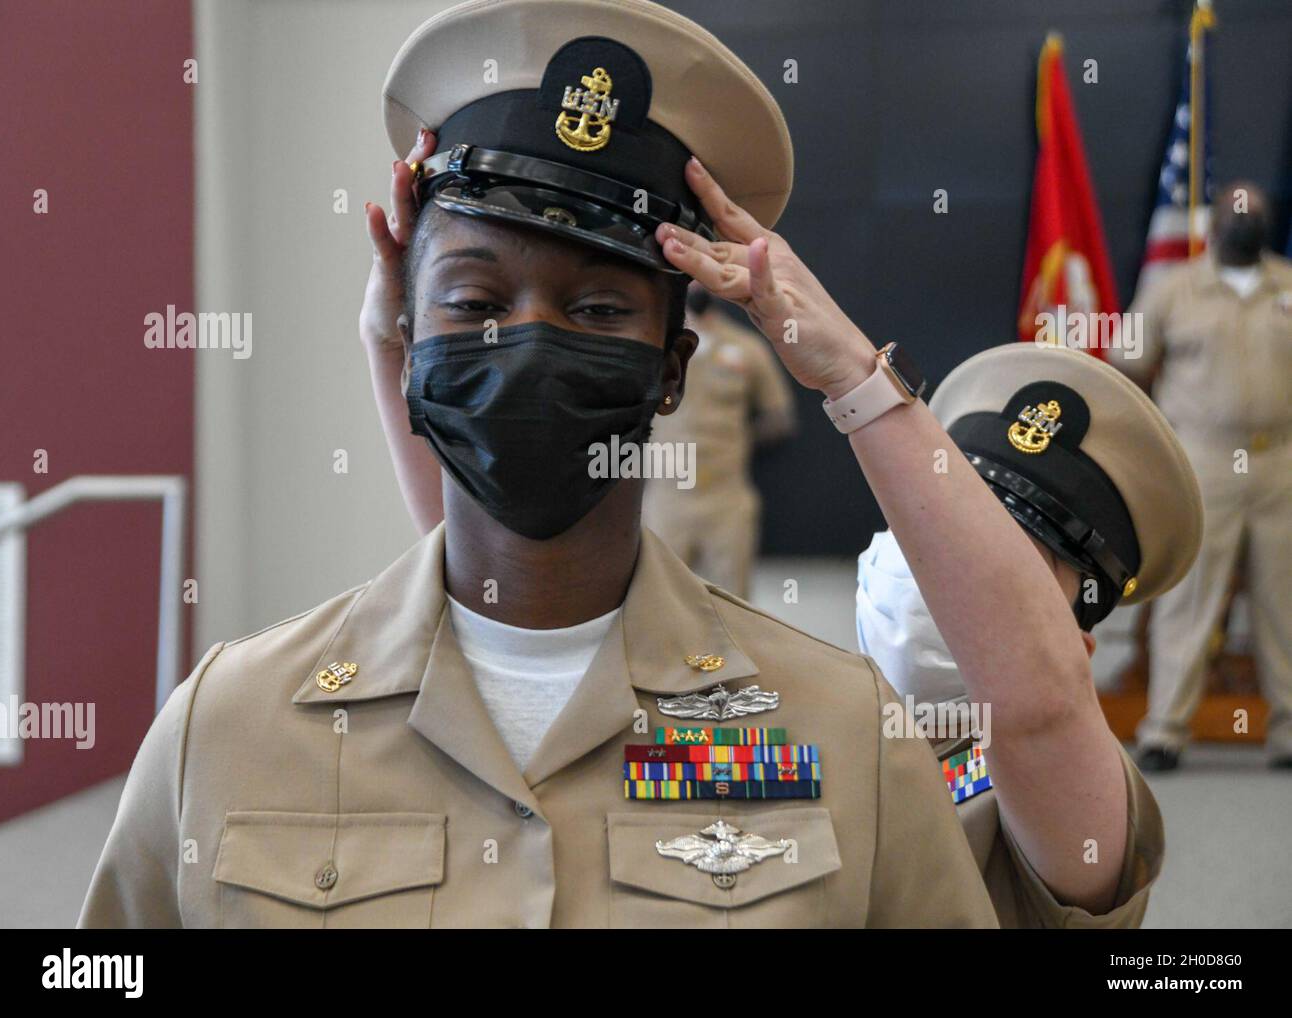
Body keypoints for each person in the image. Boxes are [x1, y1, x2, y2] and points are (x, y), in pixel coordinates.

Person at [80, 0, 1092, 928]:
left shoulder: (842, 736)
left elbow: (1044, 708)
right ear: (408, 345)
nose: (527, 345)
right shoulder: (228, 724)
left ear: (669, 368)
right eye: (473, 306)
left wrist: (852, 373)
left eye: (598, 310)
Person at [857, 342, 1203, 927]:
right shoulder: (797, 712)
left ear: (1078, 648)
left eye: (1013, 564)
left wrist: (855, 386)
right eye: (934, 527)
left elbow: (1043, 724)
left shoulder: (1052, 802)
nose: (944, 571)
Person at [1107, 181, 1292, 771]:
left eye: (1254, 215)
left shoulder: (1287, 283)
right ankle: (1165, 730)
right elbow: (1125, 361)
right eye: (1235, 213)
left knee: (1283, 602)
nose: (1244, 222)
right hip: (1203, 460)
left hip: (1280, 462)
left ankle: (1287, 733)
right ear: (1213, 225)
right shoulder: (1173, 288)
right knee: (1187, 599)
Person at [642, 284, 796, 597]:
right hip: (668, 498)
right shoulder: (654, 348)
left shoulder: (746, 347)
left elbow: (779, 416)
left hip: (726, 498)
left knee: (734, 601)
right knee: (657, 597)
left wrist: (734, 442)